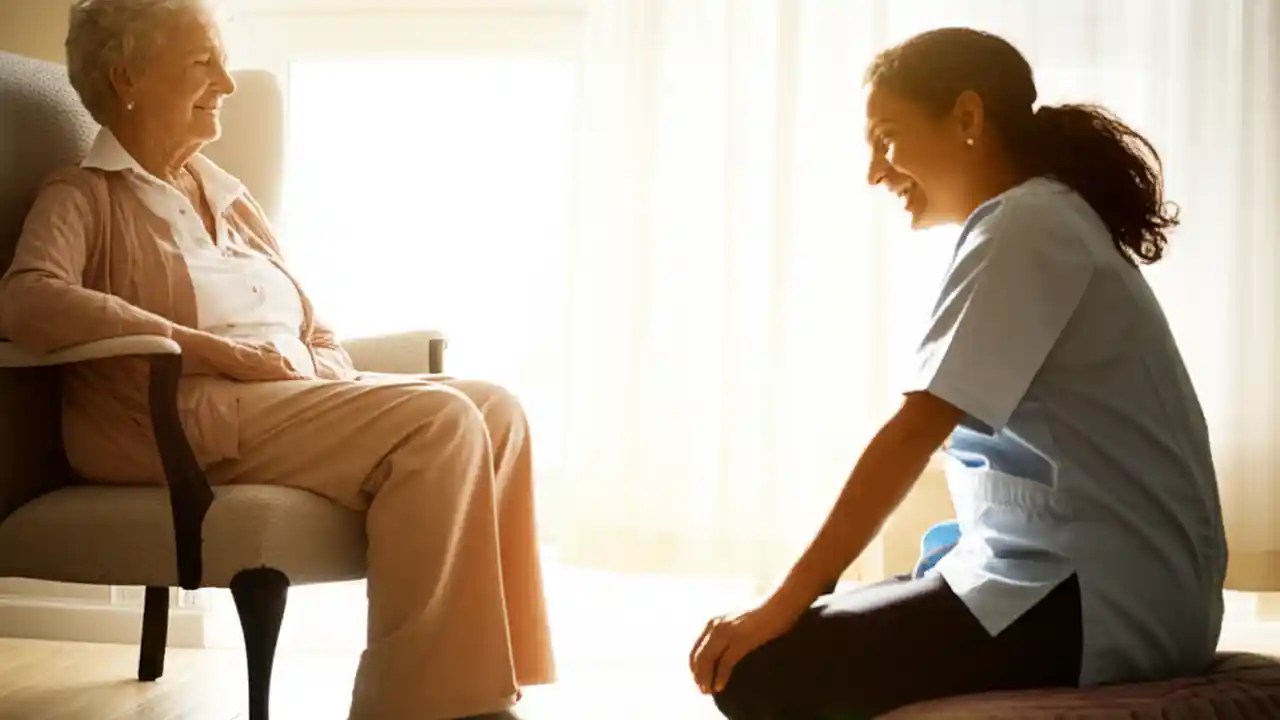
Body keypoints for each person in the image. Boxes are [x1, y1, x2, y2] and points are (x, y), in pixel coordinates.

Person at [0, 1, 554, 717]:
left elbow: (315, 326)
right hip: (169, 418)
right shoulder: (83, 195)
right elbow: (27, 299)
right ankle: (419, 706)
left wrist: (325, 373)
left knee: (495, 408)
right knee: (440, 420)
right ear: (127, 75)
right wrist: (211, 349)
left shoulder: (228, 198)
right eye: (203, 63)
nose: (226, 83)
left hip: (272, 402)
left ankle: (481, 683)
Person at [690, 27, 1227, 719]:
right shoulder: (1037, 217)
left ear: (968, 118)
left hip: (1101, 599)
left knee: (756, 667)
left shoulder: (1028, 224)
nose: (875, 171)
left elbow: (916, 428)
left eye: (886, 137)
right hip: (1076, 578)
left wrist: (783, 602)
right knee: (788, 641)